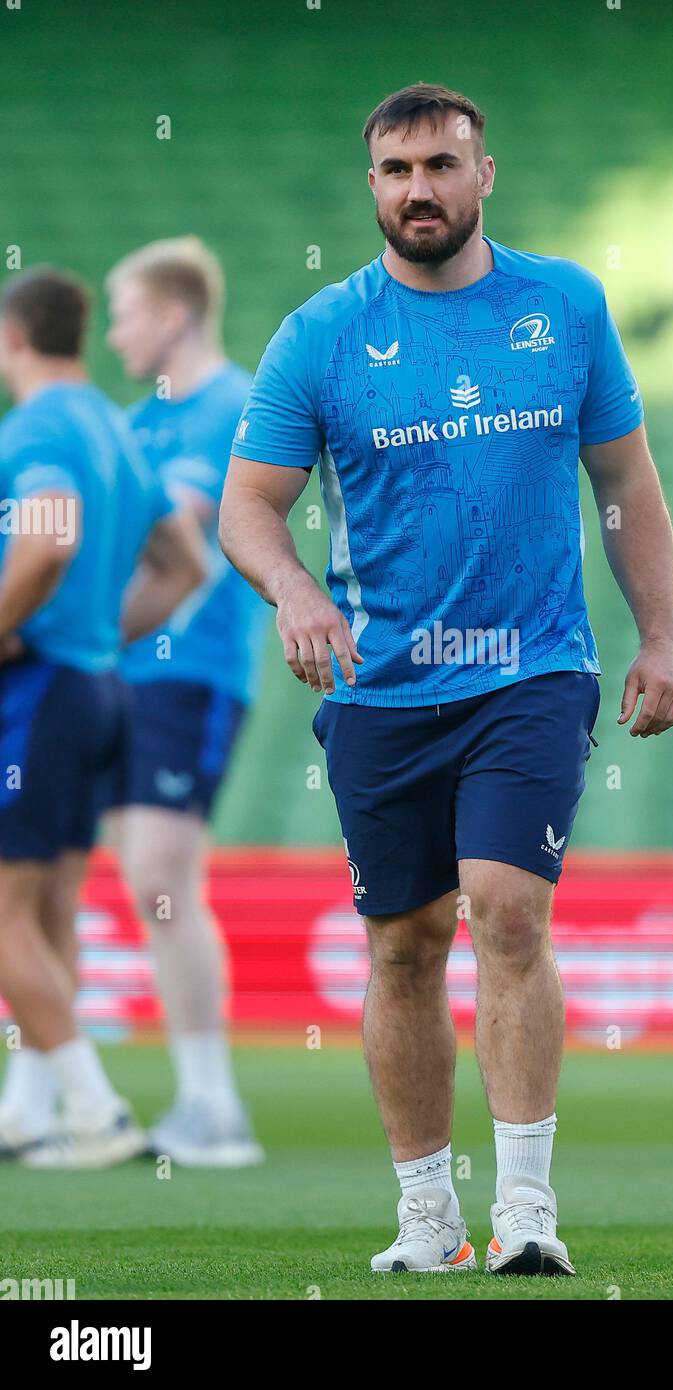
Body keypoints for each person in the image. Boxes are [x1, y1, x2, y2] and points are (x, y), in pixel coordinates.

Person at [219, 83, 673, 1274]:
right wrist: (296, 589)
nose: (417, 189)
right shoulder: (321, 333)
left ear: (487, 175)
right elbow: (248, 508)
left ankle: (526, 1208)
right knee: (400, 947)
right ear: (371, 186)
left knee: (507, 912)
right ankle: (428, 1217)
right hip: (378, 688)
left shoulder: (566, 307)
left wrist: (664, 634)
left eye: (440, 165)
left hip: (531, 668)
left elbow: (625, 482)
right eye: (394, 171)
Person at [0, 266, 205, 1166]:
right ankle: (27, 1114)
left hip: (40, 690)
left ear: (12, 338)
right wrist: (96, 636)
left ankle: (94, 1109)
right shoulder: (116, 430)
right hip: (99, 689)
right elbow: (185, 567)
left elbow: (48, 540)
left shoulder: (39, 424)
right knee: (48, 914)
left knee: (7, 913)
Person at [105, 237, 268, 1166]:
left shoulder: (234, 408)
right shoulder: (135, 420)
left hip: (188, 670)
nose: (117, 331)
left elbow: (184, 543)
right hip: (116, 675)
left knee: (164, 882)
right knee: (98, 879)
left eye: (127, 311)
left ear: (172, 314)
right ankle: (44, 1090)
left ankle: (213, 1105)